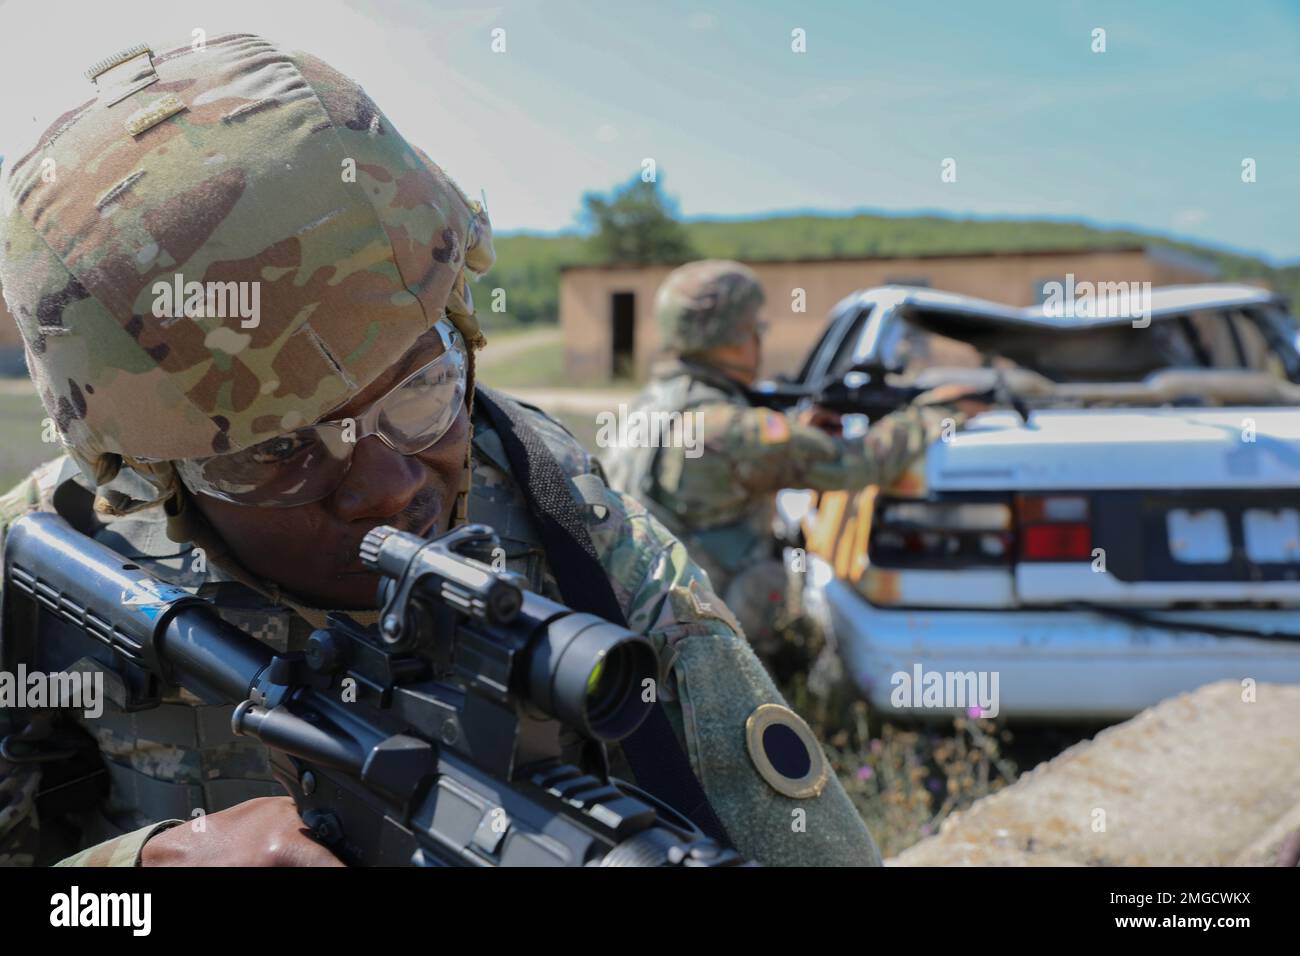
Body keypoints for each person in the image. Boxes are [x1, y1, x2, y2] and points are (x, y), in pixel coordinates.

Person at [0, 33, 881, 867]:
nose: (386, 486)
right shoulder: (49, 552)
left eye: (421, 390)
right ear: (153, 476)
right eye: (276, 454)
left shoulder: (582, 541)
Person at [603, 260, 990, 671]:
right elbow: (853, 465)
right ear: (735, 339)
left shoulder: (648, 405)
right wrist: (933, 414)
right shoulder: (735, 430)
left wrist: (794, 436)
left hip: (634, 614)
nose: (758, 341)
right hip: (694, 643)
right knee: (771, 585)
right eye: (756, 330)